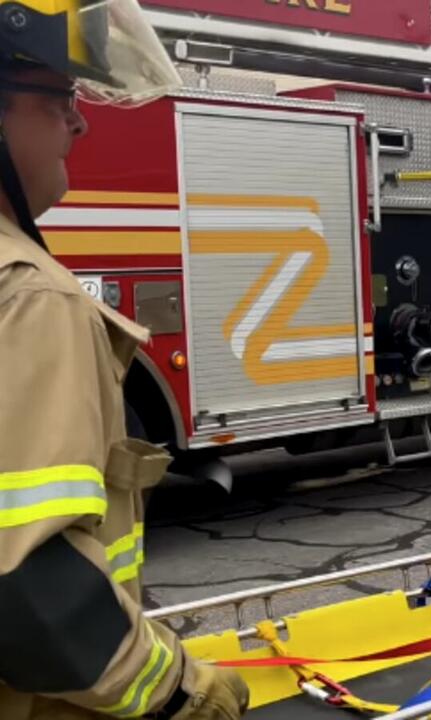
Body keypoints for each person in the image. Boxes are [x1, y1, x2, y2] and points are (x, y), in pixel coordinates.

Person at [0, 1, 249, 718]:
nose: (79, 123)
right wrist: (180, 691)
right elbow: (27, 579)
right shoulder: (30, 299)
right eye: (61, 98)